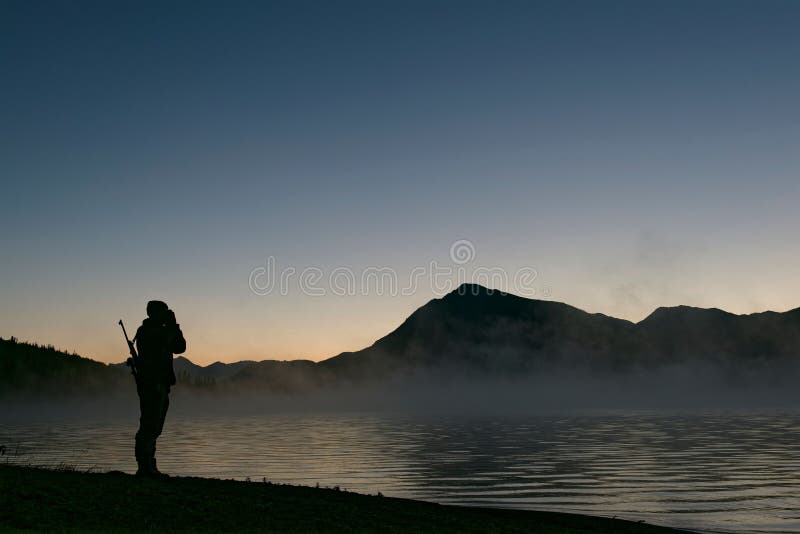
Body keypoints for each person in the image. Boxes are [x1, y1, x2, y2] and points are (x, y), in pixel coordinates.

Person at [134, 300, 186, 476]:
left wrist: (173, 325)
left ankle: (150, 465)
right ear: (154, 313)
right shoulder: (147, 332)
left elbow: (180, 347)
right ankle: (144, 467)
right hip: (151, 384)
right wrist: (172, 324)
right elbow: (166, 340)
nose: (166, 315)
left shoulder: (162, 330)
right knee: (149, 426)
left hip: (161, 384)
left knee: (155, 427)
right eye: (163, 312)